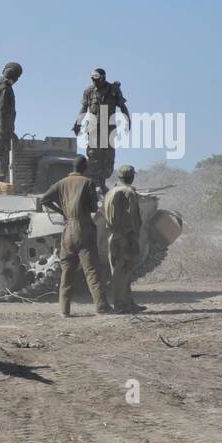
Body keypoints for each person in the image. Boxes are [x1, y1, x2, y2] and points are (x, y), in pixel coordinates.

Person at [40, 156, 112, 317]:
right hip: (84, 227)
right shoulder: (88, 182)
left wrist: (62, 211)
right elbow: (93, 206)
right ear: (85, 168)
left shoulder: (61, 183)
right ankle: (101, 306)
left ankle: (64, 310)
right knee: (92, 270)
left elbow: (44, 199)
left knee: (67, 272)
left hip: (68, 230)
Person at [72, 69, 129, 193]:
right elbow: (84, 108)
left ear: (102, 77)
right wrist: (77, 123)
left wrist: (127, 120)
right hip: (93, 128)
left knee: (108, 156)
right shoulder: (89, 91)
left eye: (96, 78)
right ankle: (95, 184)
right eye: (92, 78)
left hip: (108, 129)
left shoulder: (114, 90)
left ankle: (102, 183)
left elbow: (123, 106)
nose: (94, 81)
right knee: (93, 156)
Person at [104, 164, 146, 313]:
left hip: (113, 235)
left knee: (119, 271)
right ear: (132, 177)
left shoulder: (110, 192)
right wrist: (134, 236)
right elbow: (132, 216)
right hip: (125, 236)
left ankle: (127, 302)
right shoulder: (129, 192)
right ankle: (121, 304)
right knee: (124, 271)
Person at [0, 62, 22, 182]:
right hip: (0, 130)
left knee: (1, 158)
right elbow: (1, 111)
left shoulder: (0, 85)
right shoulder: (4, 88)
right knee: (1, 159)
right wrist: (7, 131)